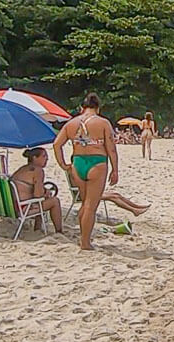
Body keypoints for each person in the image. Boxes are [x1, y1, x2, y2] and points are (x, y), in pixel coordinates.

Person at [53, 93, 118, 250]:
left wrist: (63, 164)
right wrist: (115, 169)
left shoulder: (71, 123)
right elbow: (111, 148)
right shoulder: (103, 123)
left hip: (78, 163)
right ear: (98, 107)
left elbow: (56, 144)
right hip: (97, 163)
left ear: (82, 108)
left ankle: (84, 238)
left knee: (84, 203)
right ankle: (85, 242)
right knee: (91, 206)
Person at [11, 148, 65, 234]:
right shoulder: (38, 171)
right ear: (34, 158)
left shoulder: (22, 169)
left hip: (12, 206)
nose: (47, 158)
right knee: (55, 201)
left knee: (40, 201)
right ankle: (59, 231)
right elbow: (38, 195)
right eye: (44, 156)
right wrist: (45, 193)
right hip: (24, 209)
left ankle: (37, 229)